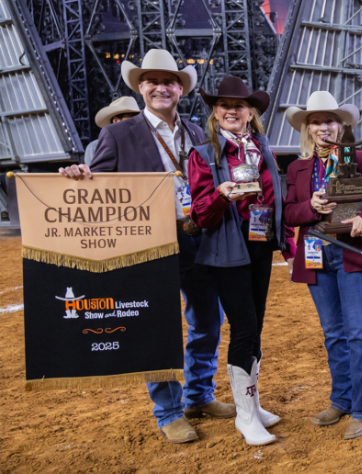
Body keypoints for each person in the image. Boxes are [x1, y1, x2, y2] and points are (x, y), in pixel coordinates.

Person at [58, 49, 232, 444]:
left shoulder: (197, 130)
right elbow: (99, 187)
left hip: (200, 237)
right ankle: (168, 411)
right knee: (158, 327)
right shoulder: (118, 133)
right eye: (152, 81)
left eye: (169, 81)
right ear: (140, 87)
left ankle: (199, 396)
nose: (160, 87)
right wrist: (78, 175)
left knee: (207, 322)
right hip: (150, 243)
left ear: (180, 88)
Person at [188, 75, 295, 446]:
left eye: (239, 105)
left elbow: (275, 199)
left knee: (256, 329)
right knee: (245, 328)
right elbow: (201, 215)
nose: (231, 110)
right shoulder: (202, 154)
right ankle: (245, 418)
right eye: (223, 105)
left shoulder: (262, 146)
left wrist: (286, 242)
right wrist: (221, 196)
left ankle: (253, 405)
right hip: (226, 251)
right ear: (215, 113)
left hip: (259, 244)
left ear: (251, 112)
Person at [283, 91, 362, 440]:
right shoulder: (298, 168)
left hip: (351, 250)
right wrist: (311, 207)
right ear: (308, 128)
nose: (323, 127)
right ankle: (341, 399)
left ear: (340, 125)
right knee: (333, 334)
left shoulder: (358, 158)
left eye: (329, 120)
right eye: (315, 122)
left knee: (358, 332)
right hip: (316, 251)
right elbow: (288, 213)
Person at [84, 96, 142, 166]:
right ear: (115, 121)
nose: (136, 122)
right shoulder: (94, 146)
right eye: (131, 119)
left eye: (137, 118)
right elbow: (94, 174)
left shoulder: (144, 143)